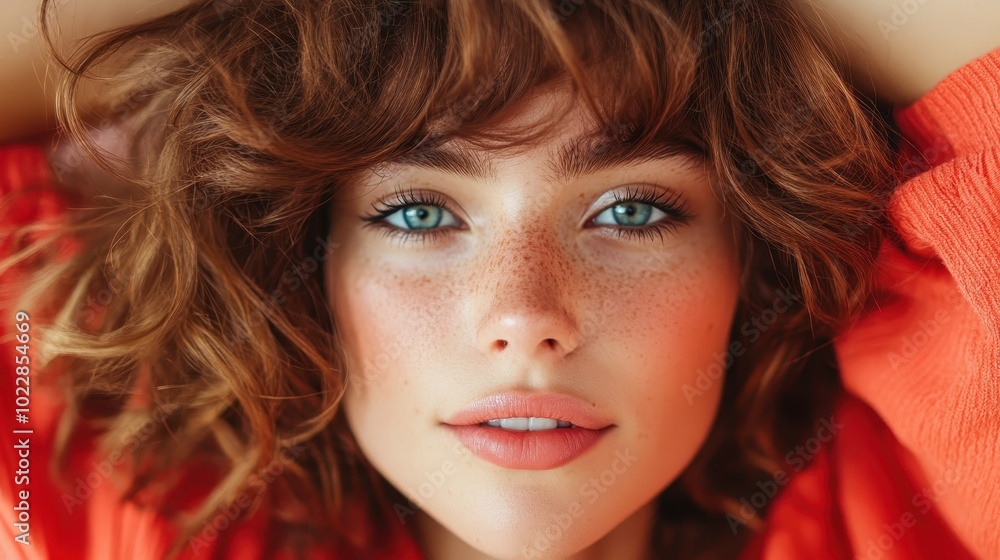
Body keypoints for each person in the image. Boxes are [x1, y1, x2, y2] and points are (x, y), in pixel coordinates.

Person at [0, 0, 997, 558]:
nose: (525, 318)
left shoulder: (917, 497)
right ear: (311, 274)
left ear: (750, 260)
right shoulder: (96, 500)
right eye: (419, 213)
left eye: (632, 210)